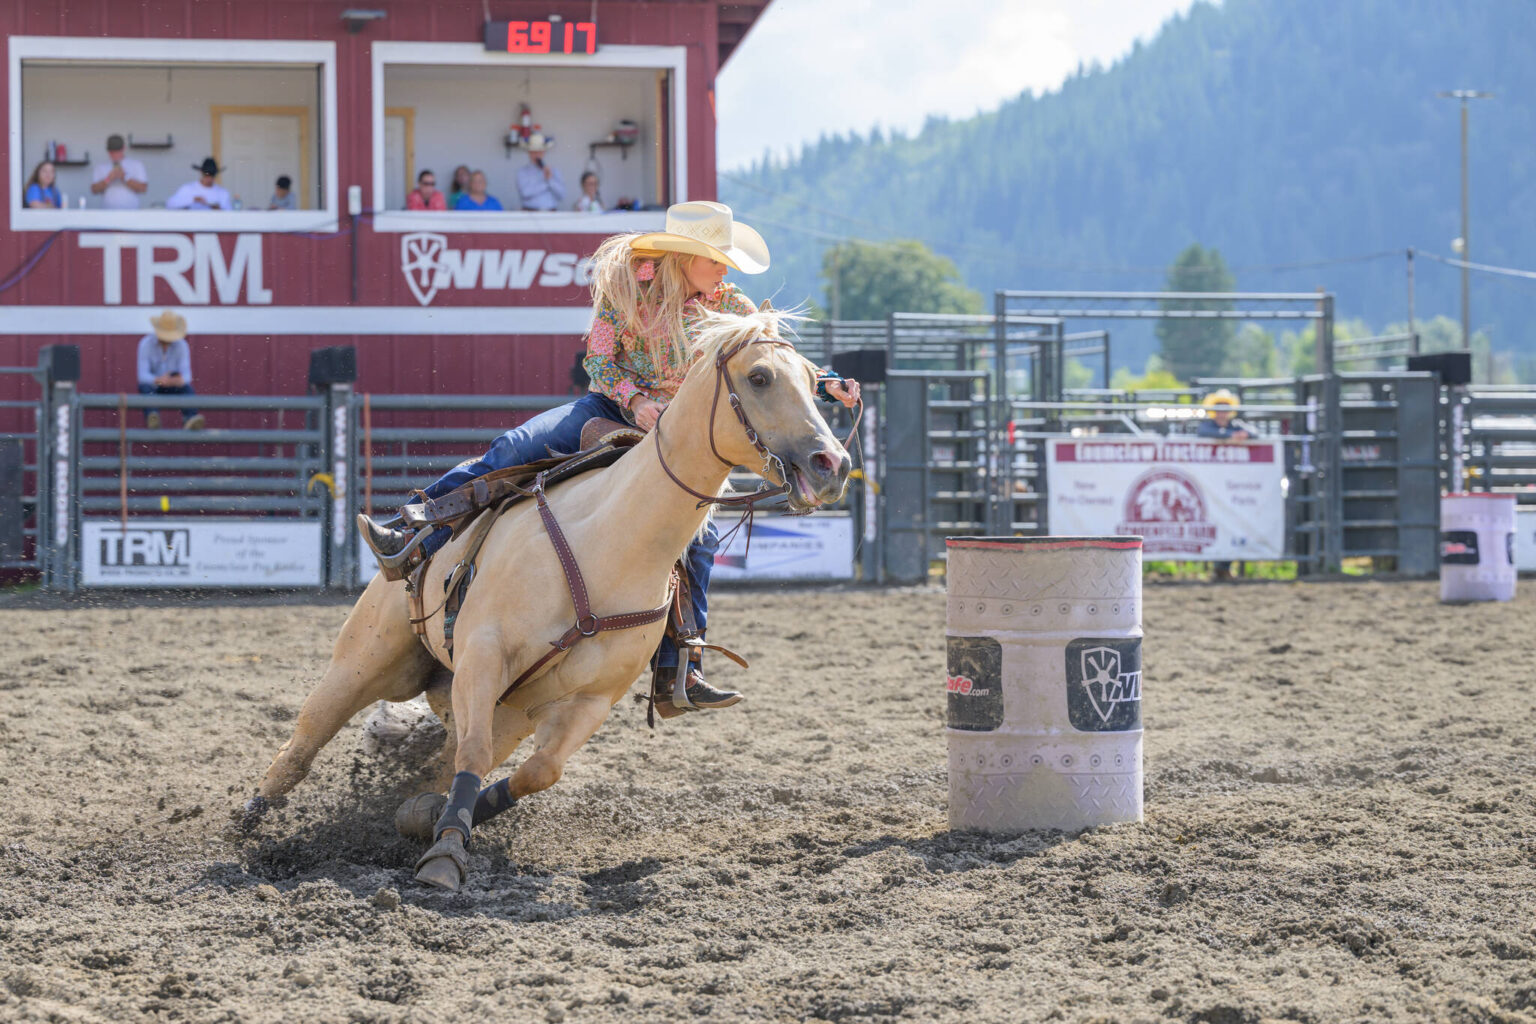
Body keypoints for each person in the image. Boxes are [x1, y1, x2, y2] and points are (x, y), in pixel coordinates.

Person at [359, 201, 860, 715]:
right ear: (688, 256)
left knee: (700, 539)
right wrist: (638, 400)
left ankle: (680, 669)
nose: (725, 269)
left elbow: (771, 363)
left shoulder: (729, 302)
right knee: (514, 448)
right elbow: (598, 360)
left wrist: (824, 384)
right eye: (716, 258)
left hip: (677, 434)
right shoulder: (626, 287)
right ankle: (414, 531)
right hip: (612, 407)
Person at [136, 310, 204, 431]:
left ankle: (190, 419)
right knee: (145, 387)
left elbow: (187, 377)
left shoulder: (182, 345)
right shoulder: (146, 344)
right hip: (154, 387)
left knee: (187, 389)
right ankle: (153, 417)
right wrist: (159, 380)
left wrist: (170, 381)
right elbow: (142, 376)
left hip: (172, 385)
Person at [90, 134, 148, 210]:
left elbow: (143, 188)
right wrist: (108, 179)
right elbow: (94, 190)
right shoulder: (101, 167)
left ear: (123, 148)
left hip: (131, 213)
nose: (114, 154)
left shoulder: (136, 165)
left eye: (117, 151)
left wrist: (125, 177)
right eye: (112, 151)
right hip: (107, 213)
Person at [515, 132, 565, 211]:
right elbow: (525, 193)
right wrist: (546, 183)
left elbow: (562, 195)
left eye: (540, 151)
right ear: (529, 153)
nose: (537, 155)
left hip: (551, 212)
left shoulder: (553, 171)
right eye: (534, 152)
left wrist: (550, 179)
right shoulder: (523, 172)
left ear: (544, 152)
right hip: (530, 212)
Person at [167, 158, 233, 210]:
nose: (209, 178)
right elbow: (170, 204)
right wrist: (193, 199)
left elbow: (230, 213)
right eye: (206, 174)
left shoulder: (222, 192)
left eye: (212, 175)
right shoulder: (188, 189)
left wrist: (218, 209)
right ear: (201, 173)